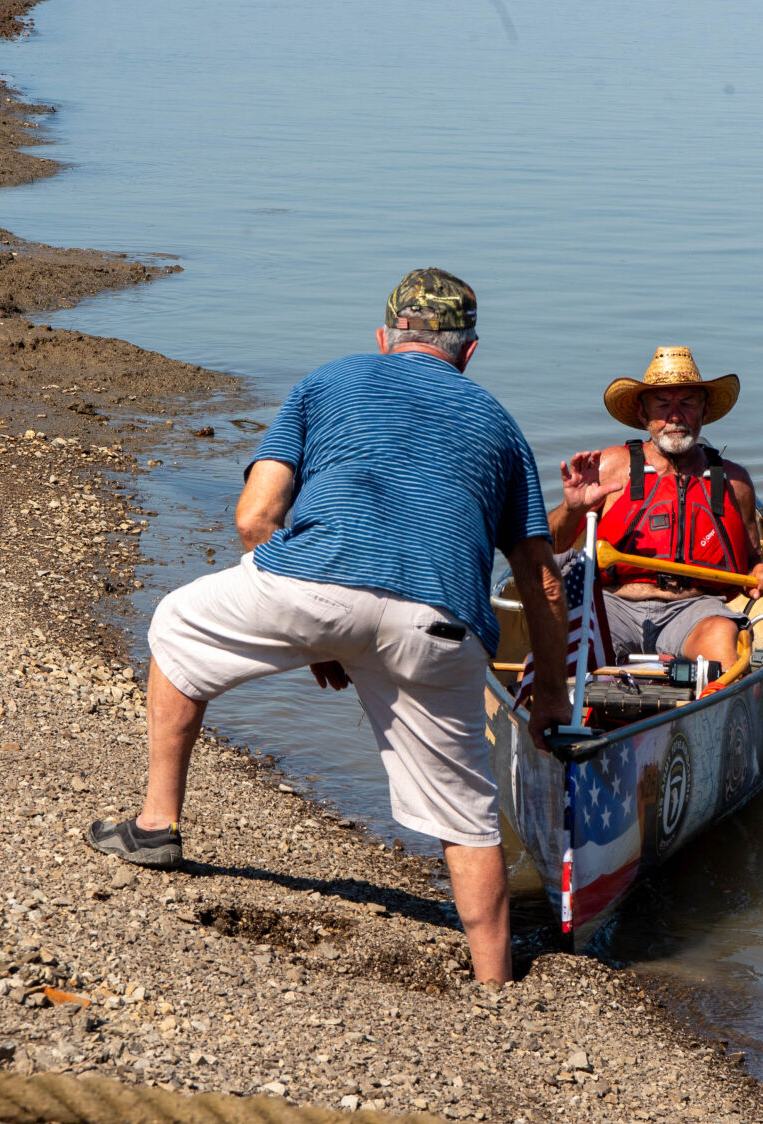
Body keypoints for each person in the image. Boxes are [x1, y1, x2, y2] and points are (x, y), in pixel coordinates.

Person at [86, 268, 570, 986]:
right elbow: (541, 579)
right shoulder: (498, 424)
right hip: (438, 623)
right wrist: (553, 695)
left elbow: (255, 516)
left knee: (179, 624)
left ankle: (156, 825)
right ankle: (494, 982)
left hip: (310, 586)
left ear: (384, 338)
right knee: (467, 813)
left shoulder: (329, 380)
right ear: (469, 353)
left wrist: (312, 628)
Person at [547, 346, 763, 672]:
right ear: (643, 415)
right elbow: (548, 545)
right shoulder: (609, 467)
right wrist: (571, 508)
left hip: (696, 610)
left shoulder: (736, 483)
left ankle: (716, 709)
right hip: (612, 604)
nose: (675, 416)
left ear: (705, 412)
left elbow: (750, 566)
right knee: (551, 654)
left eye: (687, 403)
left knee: (724, 643)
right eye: (662, 405)